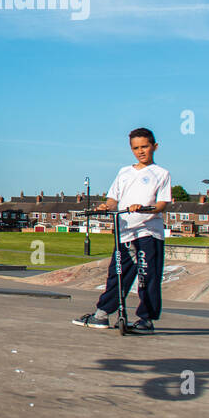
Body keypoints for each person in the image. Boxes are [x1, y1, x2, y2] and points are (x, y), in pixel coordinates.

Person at [73, 128, 172, 334]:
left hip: (148, 231)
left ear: (155, 146)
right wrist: (105, 206)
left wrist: (144, 208)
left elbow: (162, 205)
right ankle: (101, 315)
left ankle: (146, 320)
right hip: (125, 232)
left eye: (144, 146)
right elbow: (113, 199)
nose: (140, 152)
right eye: (136, 148)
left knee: (147, 276)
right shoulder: (124, 172)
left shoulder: (161, 174)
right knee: (117, 274)